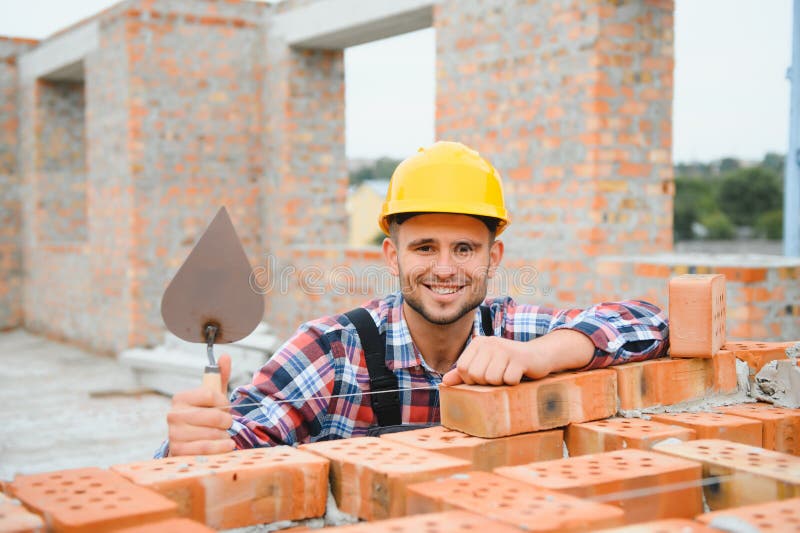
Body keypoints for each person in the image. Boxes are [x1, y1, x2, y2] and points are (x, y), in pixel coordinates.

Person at [158, 141, 668, 458]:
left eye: (465, 249)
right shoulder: (333, 351)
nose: (444, 268)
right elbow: (237, 438)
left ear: (494, 257)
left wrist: (539, 355)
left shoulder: (512, 328)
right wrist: (192, 441)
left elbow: (649, 322)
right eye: (425, 247)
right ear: (391, 256)